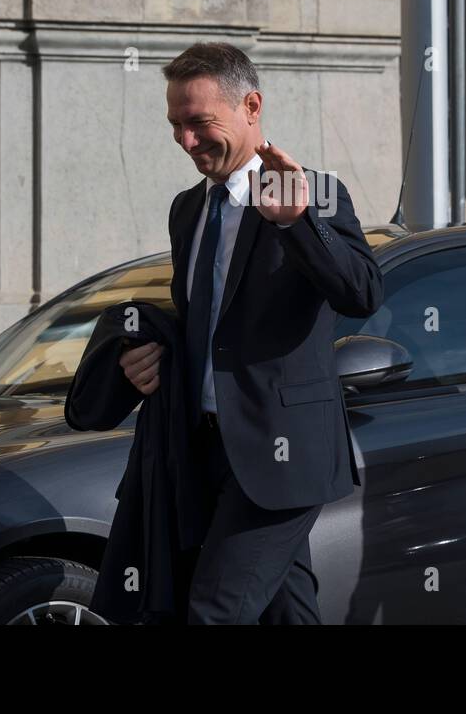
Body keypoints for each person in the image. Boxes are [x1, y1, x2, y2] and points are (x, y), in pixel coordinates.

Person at [119, 42, 383, 624]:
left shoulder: (313, 192)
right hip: (204, 449)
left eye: (199, 124)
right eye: (175, 126)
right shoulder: (188, 209)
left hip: (282, 450)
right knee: (286, 613)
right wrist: (148, 356)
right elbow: (203, 324)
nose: (186, 142)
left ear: (251, 106)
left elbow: (361, 293)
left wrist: (298, 223)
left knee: (213, 612)